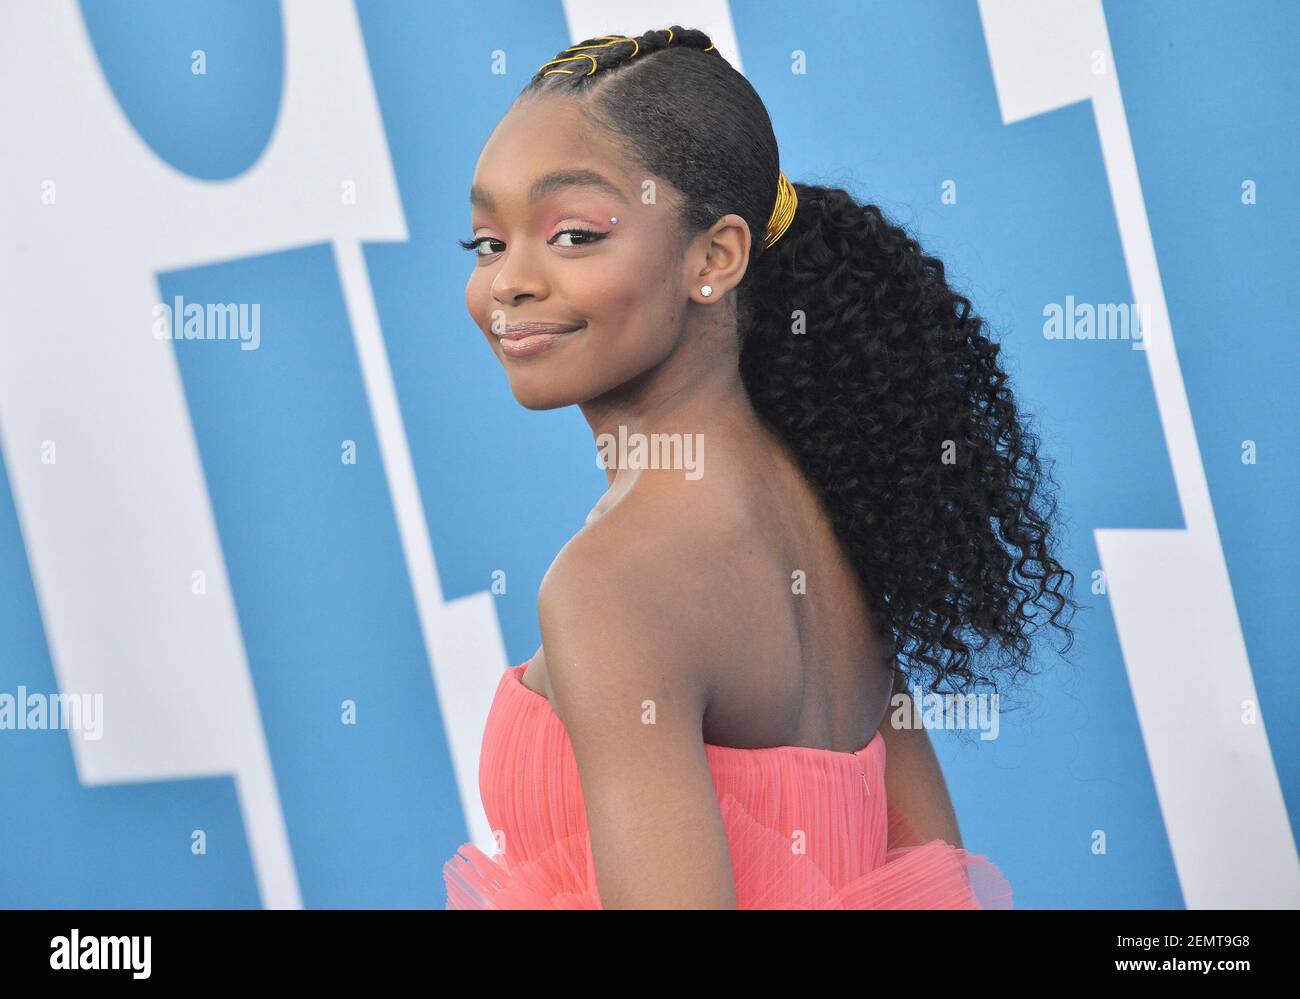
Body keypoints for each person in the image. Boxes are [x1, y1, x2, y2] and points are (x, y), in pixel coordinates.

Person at [444, 25, 1076, 909]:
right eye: (487, 242)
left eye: (575, 234)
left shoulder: (612, 588)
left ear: (716, 256)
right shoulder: (826, 509)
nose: (507, 281)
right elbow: (932, 879)